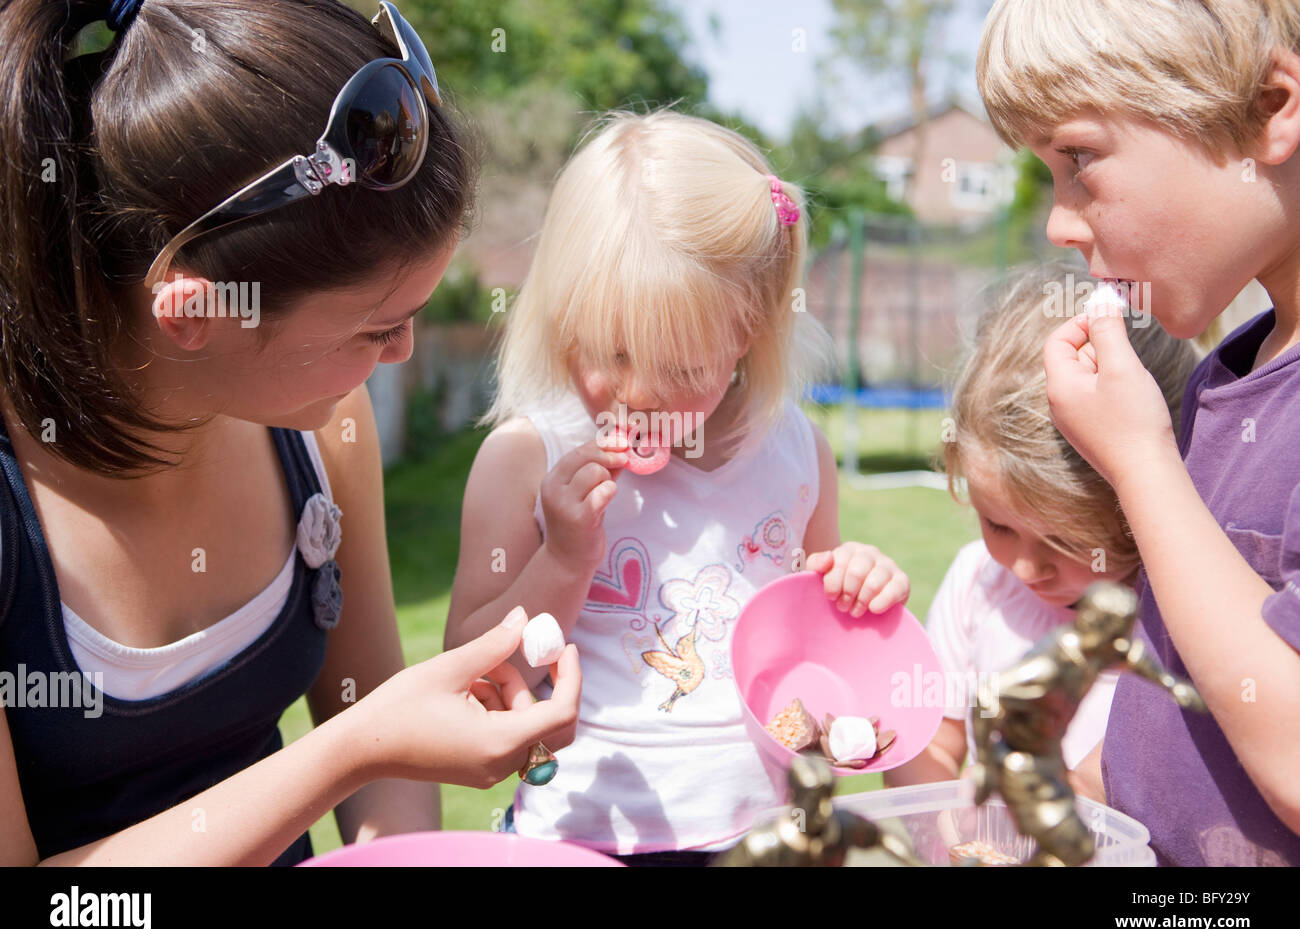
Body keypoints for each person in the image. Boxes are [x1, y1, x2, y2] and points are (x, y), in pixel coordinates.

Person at [0, 0, 578, 867]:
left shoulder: (326, 432)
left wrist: (387, 775)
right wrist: (352, 752)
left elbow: (375, 728)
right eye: (376, 329)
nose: (403, 353)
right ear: (195, 309)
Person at [445, 108, 911, 864]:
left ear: (748, 330)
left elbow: (811, 639)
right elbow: (472, 669)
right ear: (561, 317)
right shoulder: (526, 458)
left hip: (765, 838)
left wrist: (855, 586)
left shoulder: (797, 455)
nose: (638, 395)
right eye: (610, 353)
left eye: (684, 370)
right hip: (582, 835)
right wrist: (564, 555)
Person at [978, 0, 1300, 865]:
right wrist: (1070, 801)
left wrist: (1139, 460)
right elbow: (1185, 709)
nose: (1058, 220)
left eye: (1080, 158)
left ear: (1272, 112)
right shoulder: (1220, 383)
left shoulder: (1158, 437)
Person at [885, 265, 1197, 792]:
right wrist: (947, 821)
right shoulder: (978, 584)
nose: (1026, 569)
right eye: (998, 525)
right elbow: (937, 744)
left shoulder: (1181, 622)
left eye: (1069, 541)